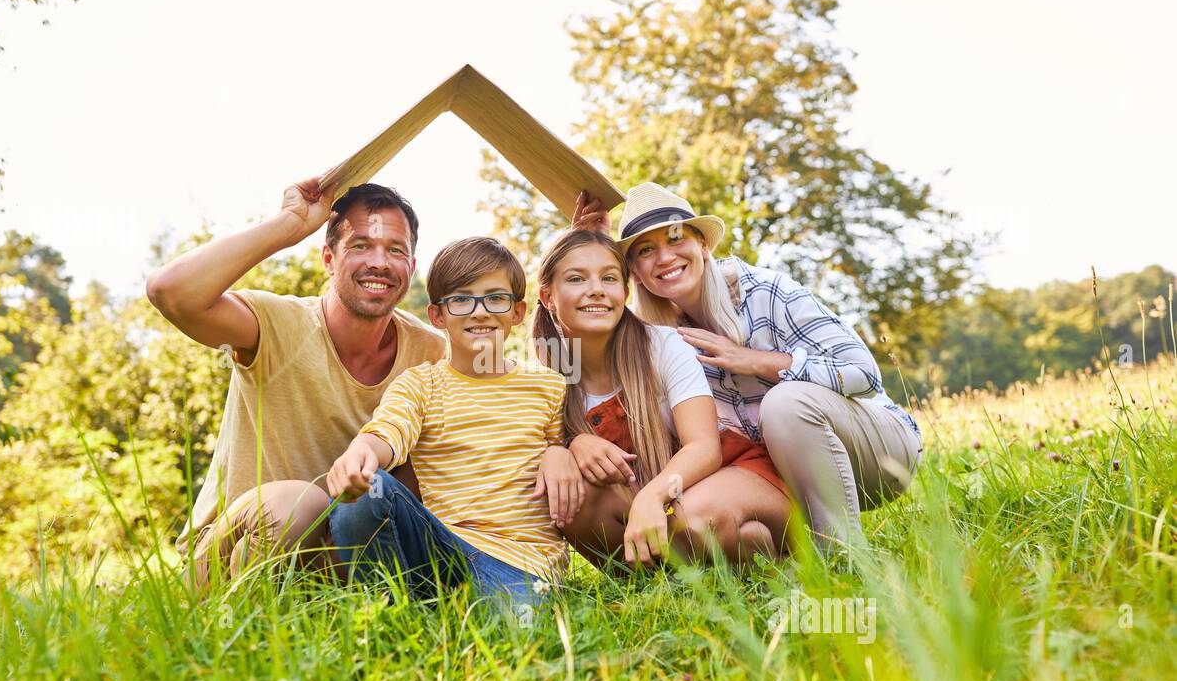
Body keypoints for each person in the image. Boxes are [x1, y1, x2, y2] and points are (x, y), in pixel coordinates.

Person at [577, 183, 923, 547]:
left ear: (703, 246)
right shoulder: (655, 337)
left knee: (783, 405)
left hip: (878, 452)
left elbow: (864, 375)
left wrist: (754, 361)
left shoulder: (765, 291)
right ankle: (775, 556)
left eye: (676, 240)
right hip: (779, 477)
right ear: (633, 271)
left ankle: (842, 556)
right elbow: (582, 339)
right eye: (646, 251)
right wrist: (590, 251)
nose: (664, 258)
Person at [145, 179, 447, 592]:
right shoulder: (276, 324)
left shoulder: (430, 351)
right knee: (301, 504)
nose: (379, 262)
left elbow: (509, 396)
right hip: (233, 548)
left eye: (395, 249)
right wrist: (289, 225)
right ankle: (234, 623)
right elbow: (171, 292)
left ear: (411, 268)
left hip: (339, 561)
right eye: (360, 245)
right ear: (328, 258)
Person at [326, 237, 581, 608]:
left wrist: (561, 450)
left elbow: (578, 448)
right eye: (461, 299)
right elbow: (387, 431)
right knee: (367, 489)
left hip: (521, 569)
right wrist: (361, 452)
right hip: (440, 551)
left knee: (511, 632)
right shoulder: (421, 384)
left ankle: (451, 614)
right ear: (438, 316)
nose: (479, 312)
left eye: (495, 298)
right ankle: (386, 613)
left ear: (518, 311)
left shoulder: (549, 386)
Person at [533, 225, 790, 571]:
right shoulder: (544, 381)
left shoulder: (663, 344)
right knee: (568, 493)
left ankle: (727, 548)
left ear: (624, 291)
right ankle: (714, 560)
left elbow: (703, 447)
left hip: (731, 474)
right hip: (652, 507)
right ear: (548, 296)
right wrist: (569, 447)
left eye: (609, 279)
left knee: (693, 518)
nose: (596, 291)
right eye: (577, 279)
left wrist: (653, 495)